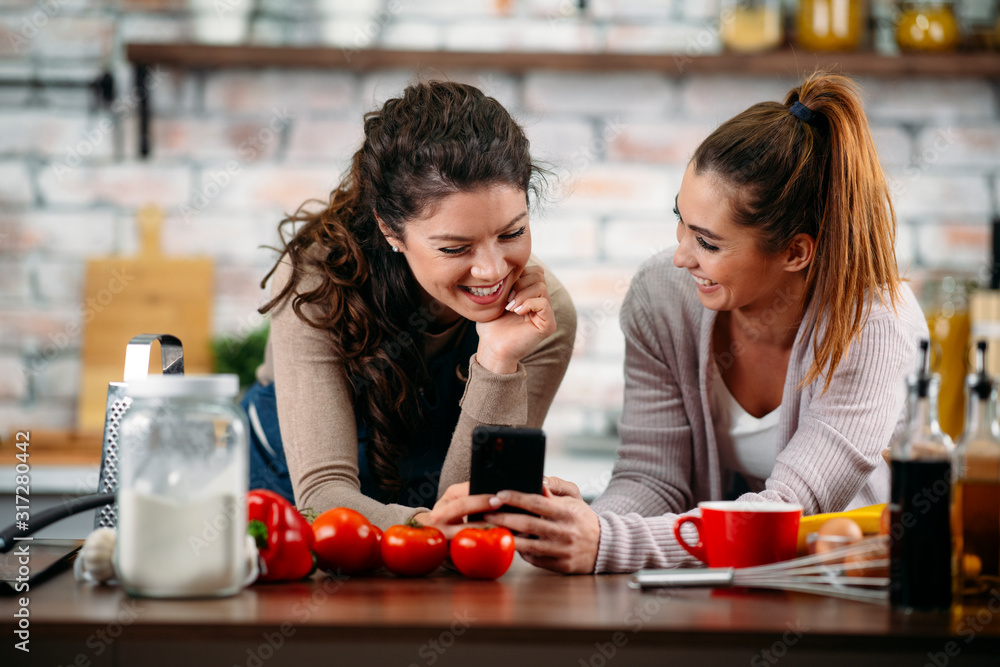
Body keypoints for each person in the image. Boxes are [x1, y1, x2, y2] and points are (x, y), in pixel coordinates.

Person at [477, 72, 928, 573]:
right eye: (681, 222)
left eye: (708, 243)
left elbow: (789, 512)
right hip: (717, 576)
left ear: (796, 252)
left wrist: (607, 542)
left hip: (843, 580)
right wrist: (583, 523)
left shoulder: (875, 326)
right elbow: (652, 479)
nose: (680, 258)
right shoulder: (663, 299)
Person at [242, 81, 576, 536]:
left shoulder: (540, 317)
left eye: (512, 233)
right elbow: (323, 497)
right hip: (291, 505)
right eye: (456, 248)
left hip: (422, 517)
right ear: (390, 230)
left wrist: (498, 361)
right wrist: (439, 528)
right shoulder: (316, 278)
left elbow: (475, 518)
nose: (493, 270)